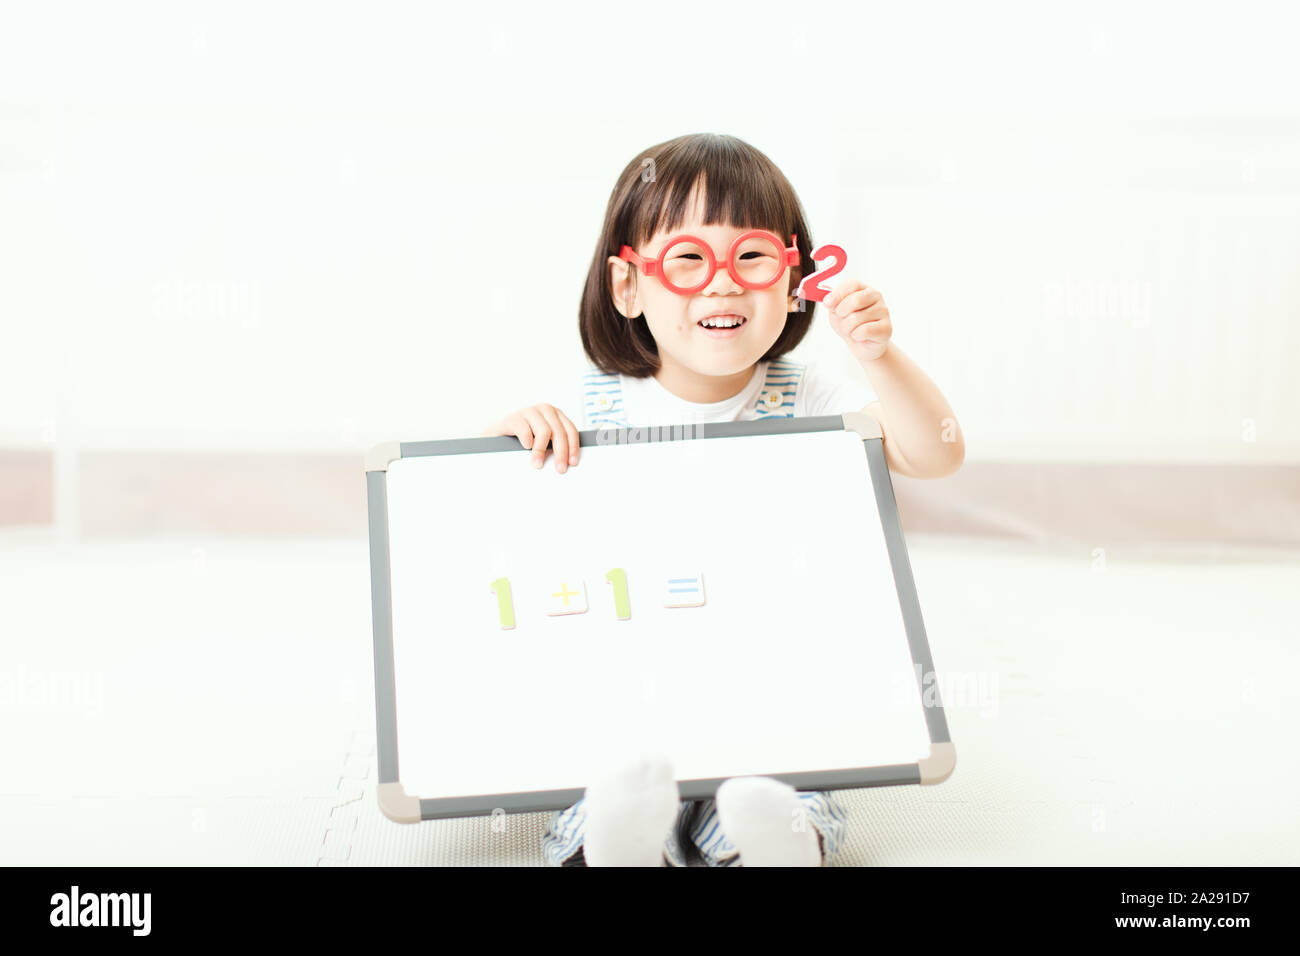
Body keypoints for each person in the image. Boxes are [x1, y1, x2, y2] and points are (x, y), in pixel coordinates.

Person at [482, 132, 964, 866]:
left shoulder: (812, 399)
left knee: (788, 785)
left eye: (752, 257)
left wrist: (879, 356)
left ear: (795, 278)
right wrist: (511, 437)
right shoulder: (585, 408)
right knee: (607, 781)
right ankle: (618, 849)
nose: (722, 283)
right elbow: (497, 527)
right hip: (626, 690)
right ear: (627, 287)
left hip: (770, 689)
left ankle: (773, 846)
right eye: (687, 259)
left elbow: (935, 452)